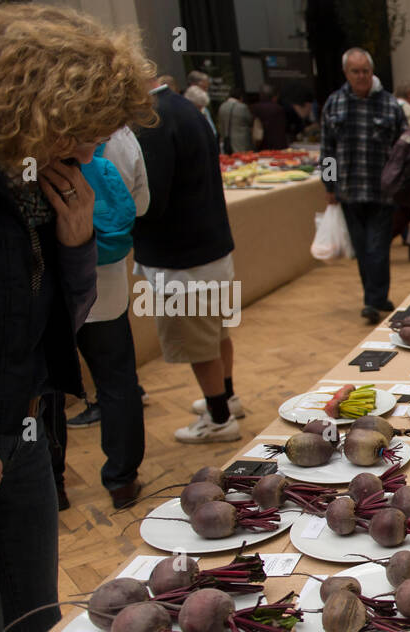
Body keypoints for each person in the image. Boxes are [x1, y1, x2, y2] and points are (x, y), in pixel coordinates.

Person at [0, 4, 155, 632]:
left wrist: (76, 242)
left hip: (23, 427)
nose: (88, 151)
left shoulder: (34, 188)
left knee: (35, 626)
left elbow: (64, 322)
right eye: (80, 133)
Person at [134, 77, 243, 443]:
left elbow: (151, 199)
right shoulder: (183, 106)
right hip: (210, 248)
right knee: (215, 333)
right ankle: (227, 397)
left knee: (199, 343)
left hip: (182, 257)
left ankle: (219, 418)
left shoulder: (153, 118)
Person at [48, 126, 151, 511]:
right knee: (117, 380)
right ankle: (122, 480)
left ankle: (53, 484)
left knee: (48, 390)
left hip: (52, 286)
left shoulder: (33, 164)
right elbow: (139, 205)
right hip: (104, 284)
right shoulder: (110, 154)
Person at [320, 48, 407, 322]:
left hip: (382, 192)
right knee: (362, 249)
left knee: (377, 247)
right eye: (355, 72)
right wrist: (329, 185)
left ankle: (373, 300)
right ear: (346, 73)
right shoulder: (334, 104)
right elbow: (327, 149)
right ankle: (376, 296)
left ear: (372, 71)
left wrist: (400, 182)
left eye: (365, 71)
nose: (361, 76)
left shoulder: (390, 104)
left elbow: (403, 147)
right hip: (348, 191)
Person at [250, 86, 289, 150]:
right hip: (277, 143)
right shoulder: (278, 108)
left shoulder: (254, 108)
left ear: (261, 95)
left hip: (261, 142)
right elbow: (283, 126)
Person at [216, 87, 254, 153]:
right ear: (241, 97)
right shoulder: (242, 107)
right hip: (241, 141)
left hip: (226, 139)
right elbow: (250, 121)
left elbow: (220, 123)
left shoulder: (222, 106)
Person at [185, 70, 216, 135]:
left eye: (207, 88)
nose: (206, 91)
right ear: (193, 86)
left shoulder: (204, 108)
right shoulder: (185, 111)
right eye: (204, 87)